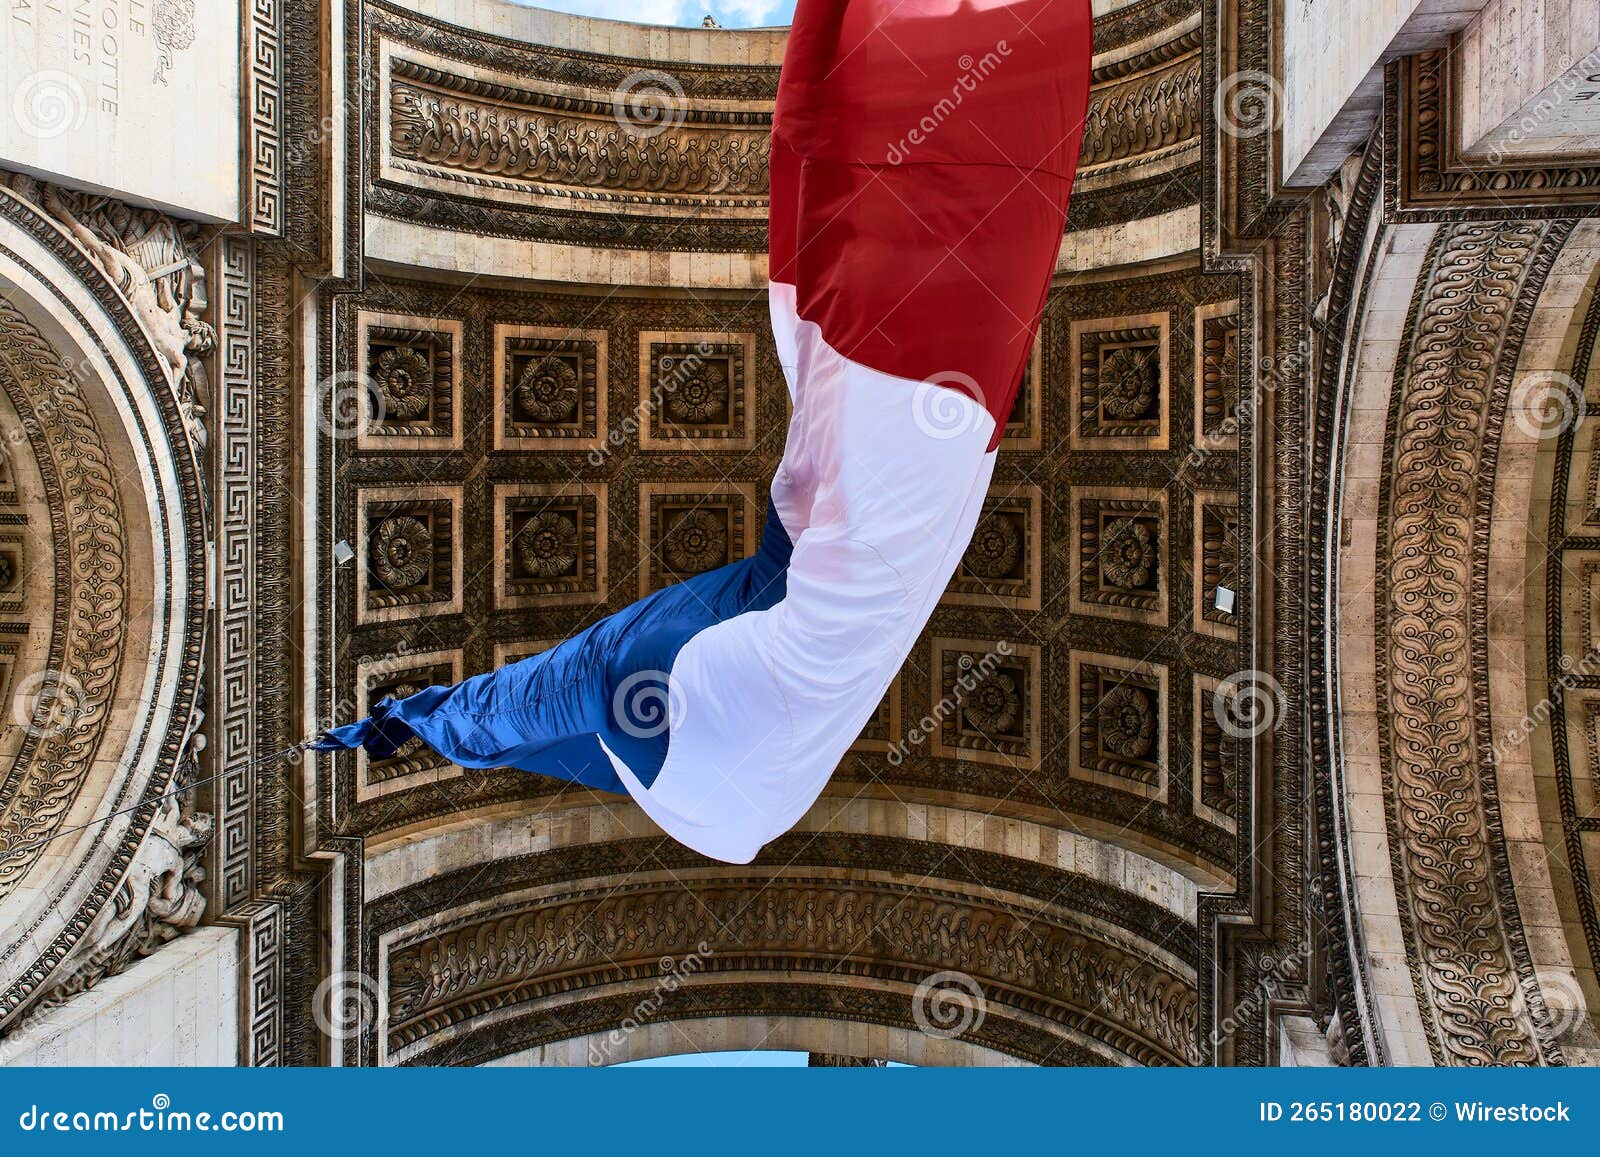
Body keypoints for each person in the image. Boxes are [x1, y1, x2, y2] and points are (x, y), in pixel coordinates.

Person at [316, 0, 1094, 865]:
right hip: (703, 765)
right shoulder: (862, 482)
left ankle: (427, 721)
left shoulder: (917, 465)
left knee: (579, 684)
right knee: (568, 702)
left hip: (748, 758)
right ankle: (424, 723)